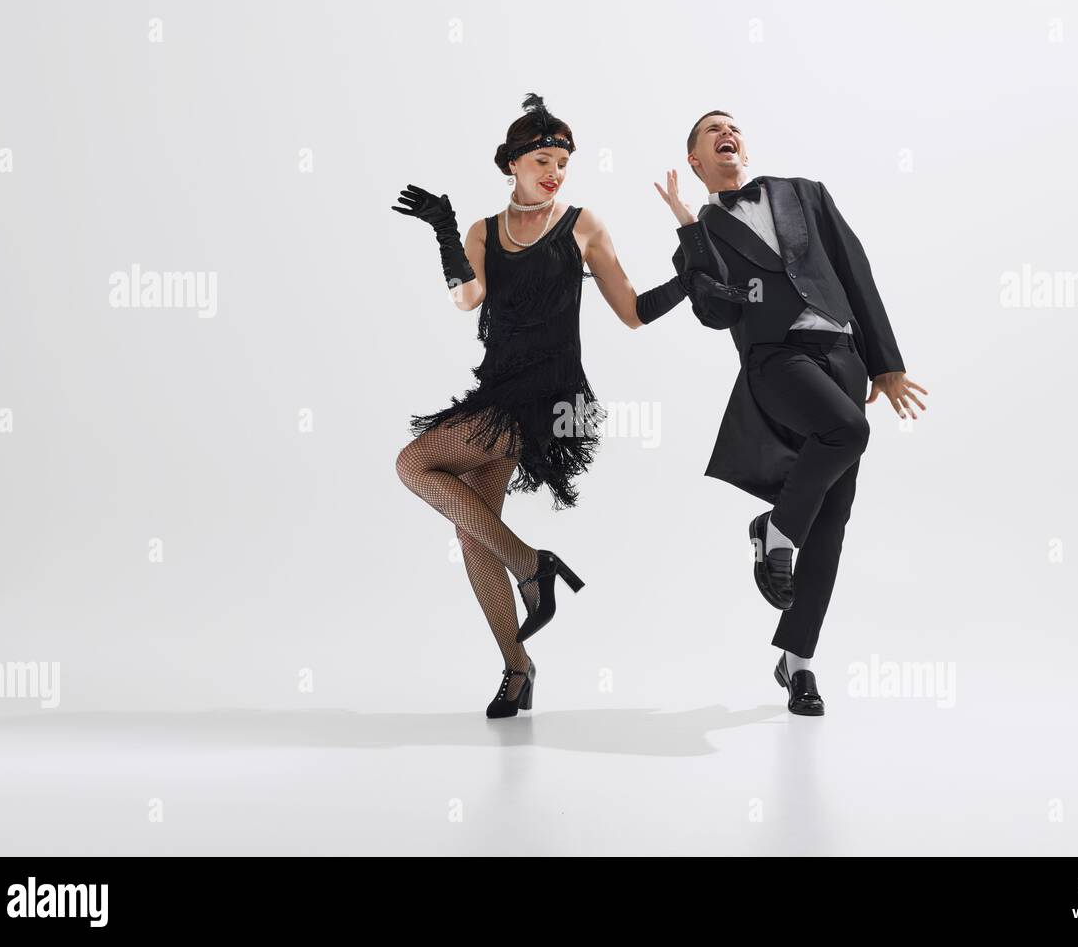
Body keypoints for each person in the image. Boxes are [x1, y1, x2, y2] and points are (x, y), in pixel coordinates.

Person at [394, 94, 690, 719]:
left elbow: (633, 313)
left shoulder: (584, 225)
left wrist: (692, 276)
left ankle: (533, 565)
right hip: (499, 393)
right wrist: (446, 231)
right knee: (474, 533)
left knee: (412, 464)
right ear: (513, 164)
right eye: (543, 160)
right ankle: (518, 669)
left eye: (562, 161)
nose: (554, 171)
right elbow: (466, 299)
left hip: (556, 397)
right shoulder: (483, 231)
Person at [655, 110, 929, 716]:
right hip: (775, 360)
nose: (728, 133)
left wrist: (885, 362)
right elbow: (715, 314)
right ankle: (776, 528)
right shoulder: (703, 231)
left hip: (842, 356)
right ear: (696, 161)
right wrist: (690, 230)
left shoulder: (805, 194)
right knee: (849, 430)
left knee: (832, 518)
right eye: (711, 132)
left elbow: (856, 271)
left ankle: (797, 661)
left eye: (733, 127)